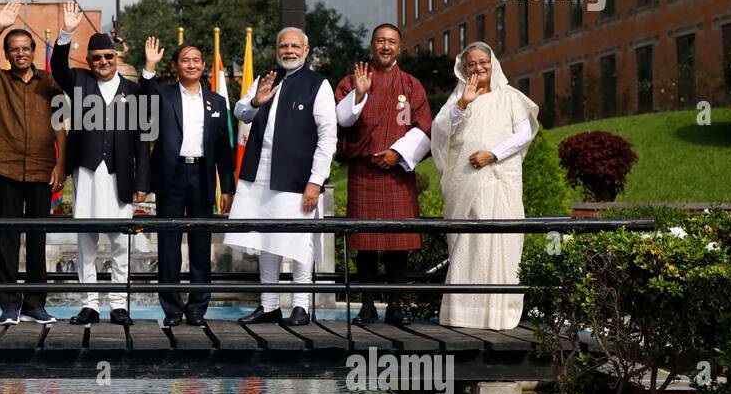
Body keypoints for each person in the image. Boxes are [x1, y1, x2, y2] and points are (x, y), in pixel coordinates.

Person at [225, 27, 337, 326]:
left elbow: (328, 136)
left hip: (297, 177)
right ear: (277, 50)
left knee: (298, 240)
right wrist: (256, 101)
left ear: (306, 50)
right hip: (259, 173)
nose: (289, 51)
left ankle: (301, 305)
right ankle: (269, 305)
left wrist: (316, 181)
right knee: (265, 237)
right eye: (284, 46)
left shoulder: (318, 84)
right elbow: (240, 113)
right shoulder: (266, 78)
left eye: (295, 46)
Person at [52, 3, 150, 326]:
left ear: (115, 58)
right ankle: (89, 304)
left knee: (120, 241)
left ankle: (119, 304)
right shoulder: (79, 82)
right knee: (86, 240)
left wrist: (142, 182)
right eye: (96, 58)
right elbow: (58, 68)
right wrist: (66, 32)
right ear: (89, 61)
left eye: (108, 56)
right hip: (86, 171)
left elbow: (143, 141)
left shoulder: (134, 91)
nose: (103, 62)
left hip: (120, 175)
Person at [431, 42, 538, 331]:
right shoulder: (458, 99)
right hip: (464, 183)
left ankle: (497, 314)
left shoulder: (510, 97)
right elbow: (441, 134)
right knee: (469, 241)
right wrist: (463, 104)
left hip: (499, 180)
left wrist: (493, 154)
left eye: (483, 62)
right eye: (472, 64)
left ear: (493, 64)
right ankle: (462, 314)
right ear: (464, 69)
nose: (478, 68)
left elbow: (523, 134)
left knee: (499, 239)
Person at [0, 0, 66, 325]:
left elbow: (60, 125)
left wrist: (61, 164)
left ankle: (35, 304)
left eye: (26, 48)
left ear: (34, 52)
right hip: (7, 167)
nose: (21, 53)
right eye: (14, 49)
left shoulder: (50, 82)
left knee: (37, 238)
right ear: (8, 54)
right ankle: (9, 305)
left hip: (42, 169)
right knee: (8, 238)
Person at [334, 24, 433, 324]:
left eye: (391, 42)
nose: (386, 46)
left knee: (398, 241)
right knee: (364, 242)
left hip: (398, 172)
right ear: (372, 45)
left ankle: (395, 305)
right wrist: (359, 95)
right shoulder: (352, 80)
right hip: (363, 172)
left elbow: (424, 127)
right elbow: (339, 120)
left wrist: (398, 153)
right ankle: (367, 305)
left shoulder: (411, 85)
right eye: (380, 41)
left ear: (399, 47)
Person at [140, 37, 234, 327]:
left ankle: (197, 308)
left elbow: (224, 149)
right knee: (168, 244)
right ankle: (172, 309)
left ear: (203, 65)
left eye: (196, 60)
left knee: (200, 244)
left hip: (202, 175)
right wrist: (149, 67)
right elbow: (143, 101)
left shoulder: (217, 102)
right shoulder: (163, 95)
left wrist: (227, 187)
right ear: (175, 66)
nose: (191, 65)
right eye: (185, 60)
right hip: (170, 176)